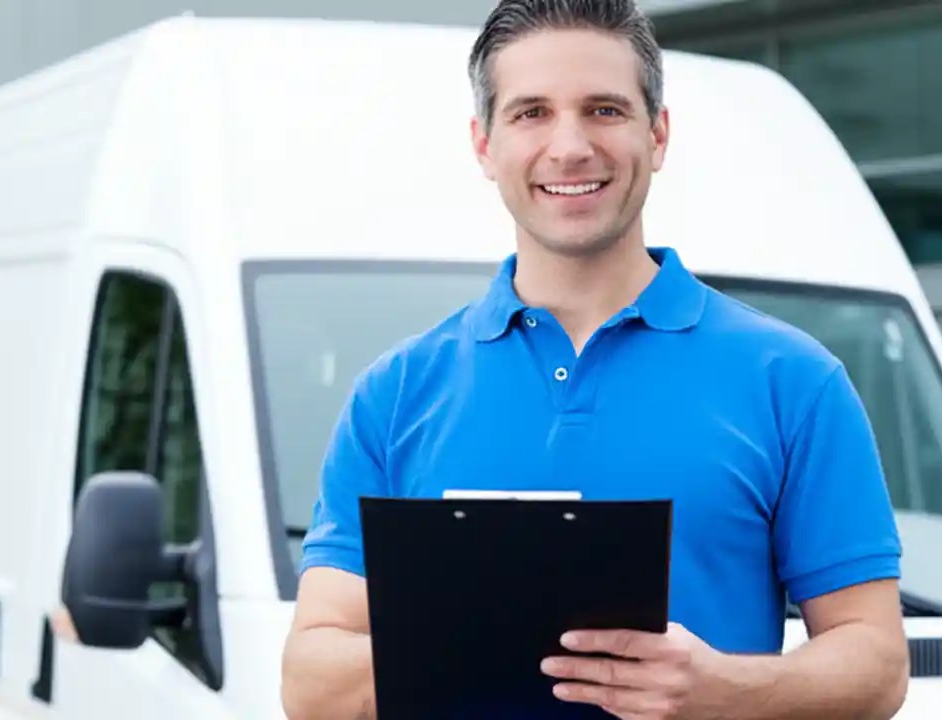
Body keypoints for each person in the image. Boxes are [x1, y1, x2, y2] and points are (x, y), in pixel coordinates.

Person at [280, 0, 909, 717]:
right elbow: (310, 682)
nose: (571, 146)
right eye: (532, 113)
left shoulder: (793, 382)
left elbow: (877, 662)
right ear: (484, 145)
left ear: (658, 134)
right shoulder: (394, 394)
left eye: (605, 110)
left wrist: (720, 690)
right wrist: (477, 636)